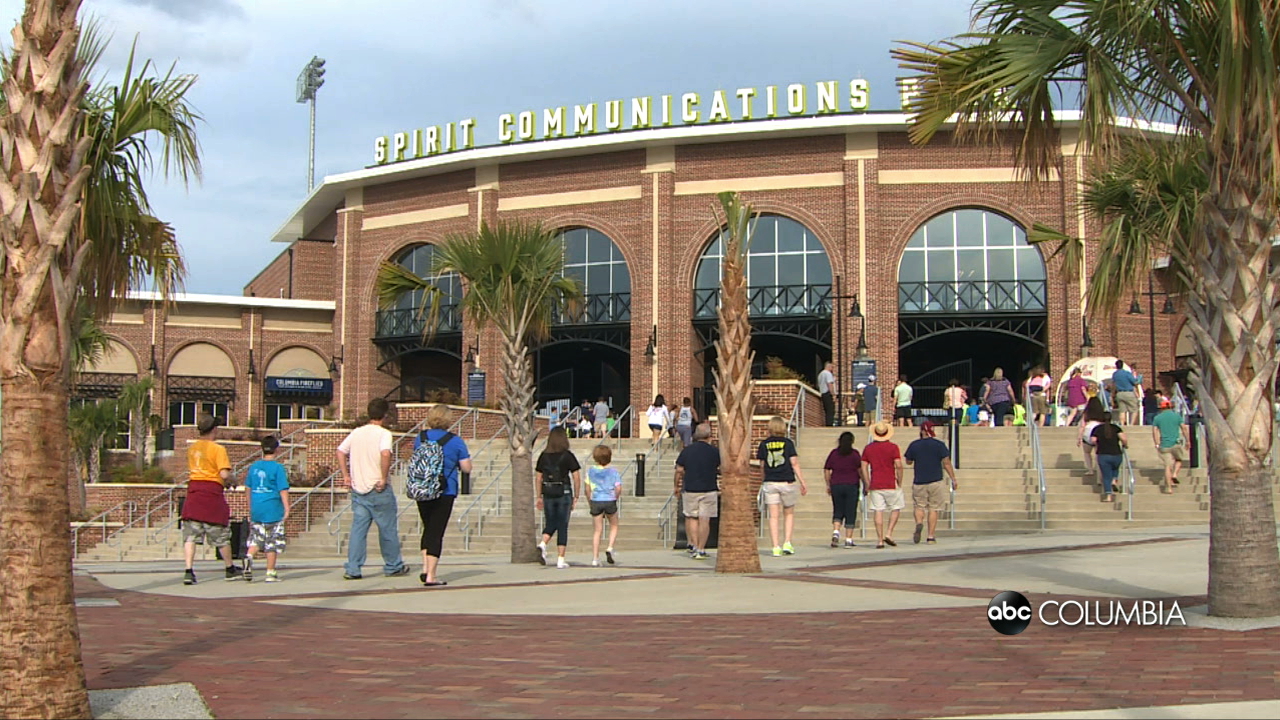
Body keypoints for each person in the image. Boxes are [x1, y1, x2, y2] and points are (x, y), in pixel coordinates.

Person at [337, 398, 410, 580]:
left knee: (358, 531)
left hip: (358, 488)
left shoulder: (357, 433)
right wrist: (383, 477)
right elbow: (385, 453)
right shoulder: (384, 434)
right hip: (378, 488)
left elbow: (340, 451)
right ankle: (393, 565)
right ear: (384, 415)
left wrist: (346, 475)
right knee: (387, 529)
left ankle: (353, 568)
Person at [181, 414, 244, 585]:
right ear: (214, 430)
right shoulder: (218, 449)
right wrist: (233, 480)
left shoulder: (192, 449)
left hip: (194, 491)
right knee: (220, 533)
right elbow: (223, 473)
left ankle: (188, 570)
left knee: (190, 536)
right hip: (211, 493)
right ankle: (229, 568)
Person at [413, 404, 472, 587]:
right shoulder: (455, 441)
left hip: (422, 488)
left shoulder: (420, 438)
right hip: (445, 490)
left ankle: (425, 567)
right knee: (437, 531)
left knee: (427, 527)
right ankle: (431, 575)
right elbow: (466, 468)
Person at [757, 416, 807, 556]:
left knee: (773, 516)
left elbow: (762, 465)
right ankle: (787, 543)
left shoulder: (764, 444)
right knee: (789, 513)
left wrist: (763, 480)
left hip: (770, 481)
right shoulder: (788, 443)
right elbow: (794, 463)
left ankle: (775, 546)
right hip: (787, 481)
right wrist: (802, 481)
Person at [243, 435, 290, 583]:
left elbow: (248, 487)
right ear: (276, 449)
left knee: (256, 538)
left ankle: (249, 557)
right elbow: (283, 489)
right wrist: (287, 508)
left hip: (257, 507)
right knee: (272, 541)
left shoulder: (254, 467)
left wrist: (250, 505)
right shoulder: (278, 468)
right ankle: (270, 572)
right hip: (273, 508)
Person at [535, 427, 582, 568]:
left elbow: (538, 478)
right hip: (564, 491)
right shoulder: (567, 455)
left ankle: (542, 544)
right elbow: (576, 476)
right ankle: (560, 559)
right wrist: (576, 495)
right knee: (562, 524)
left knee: (551, 522)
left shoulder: (543, 456)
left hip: (548, 492)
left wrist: (538, 496)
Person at [904, 421, 957, 545]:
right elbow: (947, 462)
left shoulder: (914, 445)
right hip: (935, 480)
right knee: (934, 508)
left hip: (919, 480)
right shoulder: (939, 445)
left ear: (921, 431)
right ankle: (931, 536)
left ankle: (919, 523)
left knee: (919, 506)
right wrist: (953, 478)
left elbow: (908, 461)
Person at [675, 422, 720, 559]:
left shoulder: (687, 450)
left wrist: (676, 485)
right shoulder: (714, 451)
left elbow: (679, 470)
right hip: (709, 488)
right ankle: (701, 548)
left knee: (691, 517)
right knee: (704, 520)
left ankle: (693, 545)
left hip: (690, 488)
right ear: (709, 436)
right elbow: (722, 468)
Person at [861, 421, 905, 549]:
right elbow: (898, 465)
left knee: (878, 510)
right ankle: (889, 533)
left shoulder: (868, 448)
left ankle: (879, 540)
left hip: (876, 482)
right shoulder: (893, 447)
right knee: (896, 508)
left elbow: (864, 466)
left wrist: (867, 481)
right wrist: (899, 480)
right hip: (891, 481)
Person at [823, 431, 864, 548]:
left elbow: (826, 469)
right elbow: (860, 470)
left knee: (838, 509)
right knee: (850, 512)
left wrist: (828, 484)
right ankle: (848, 539)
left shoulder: (834, 454)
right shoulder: (855, 454)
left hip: (836, 484)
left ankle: (836, 532)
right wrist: (865, 482)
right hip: (851, 484)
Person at [585, 444, 622, 566]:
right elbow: (618, 488)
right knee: (614, 525)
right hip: (609, 499)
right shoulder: (613, 472)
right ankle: (610, 547)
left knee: (597, 530)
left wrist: (590, 500)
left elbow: (587, 488)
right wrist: (615, 497)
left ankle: (595, 558)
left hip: (596, 500)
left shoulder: (591, 471)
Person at [1151, 398, 1189, 494]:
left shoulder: (1157, 418)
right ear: (1170, 407)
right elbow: (1184, 428)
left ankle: (1168, 488)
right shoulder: (1176, 416)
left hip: (1164, 444)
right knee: (1179, 459)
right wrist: (1188, 440)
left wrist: (1156, 443)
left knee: (1167, 466)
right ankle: (1175, 474)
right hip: (1176, 443)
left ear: (1161, 408)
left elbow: (1154, 431)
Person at [1091, 412, 1128, 502]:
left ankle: (1108, 496)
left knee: (1106, 476)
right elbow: (1123, 438)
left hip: (1103, 454)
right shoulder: (1116, 428)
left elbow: (1093, 440)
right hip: (1116, 453)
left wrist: (1098, 444)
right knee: (1115, 468)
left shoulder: (1097, 429)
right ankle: (1114, 480)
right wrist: (1125, 445)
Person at [1078, 396, 1106, 484]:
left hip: (1087, 432)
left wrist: (1079, 437)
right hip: (1098, 432)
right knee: (1098, 455)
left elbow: (1082, 426)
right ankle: (1099, 475)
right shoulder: (1102, 413)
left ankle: (1090, 469)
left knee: (1087, 452)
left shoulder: (1086, 413)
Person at [1110, 360, 1143, 425]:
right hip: (1128, 392)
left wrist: (1112, 394)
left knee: (1122, 411)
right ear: (1122, 365)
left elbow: (1113, 385)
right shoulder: (1126, 373)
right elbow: (1135, 382)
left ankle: (1122, 425)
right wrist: (1139, 378)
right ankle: (1131, 424)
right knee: (1134, 409)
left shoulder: (1115, 374)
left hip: (1119, 393)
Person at [818, 361, 838, 426]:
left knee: (826, 410)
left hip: (823, 393)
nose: (832, 369)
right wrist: (833, 395)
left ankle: (828, 424)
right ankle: (829, 425)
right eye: (832, 367)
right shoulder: (828, 374)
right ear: (829, 366)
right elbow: (830, 384)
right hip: (828, 394)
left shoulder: (820, 374)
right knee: (830, 411)